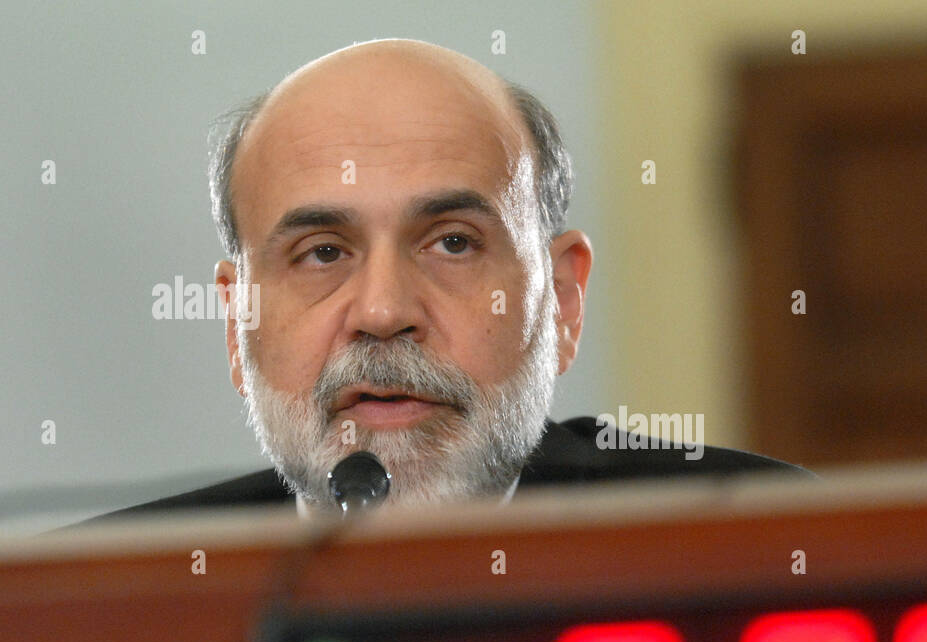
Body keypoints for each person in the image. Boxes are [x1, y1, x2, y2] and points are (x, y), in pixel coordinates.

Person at [92, 38, 808, 527]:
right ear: (235, 320)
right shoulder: (92, 603)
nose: (381, 310)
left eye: (454, 243)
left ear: (561, 301)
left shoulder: (765, 542)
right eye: (321, 253)